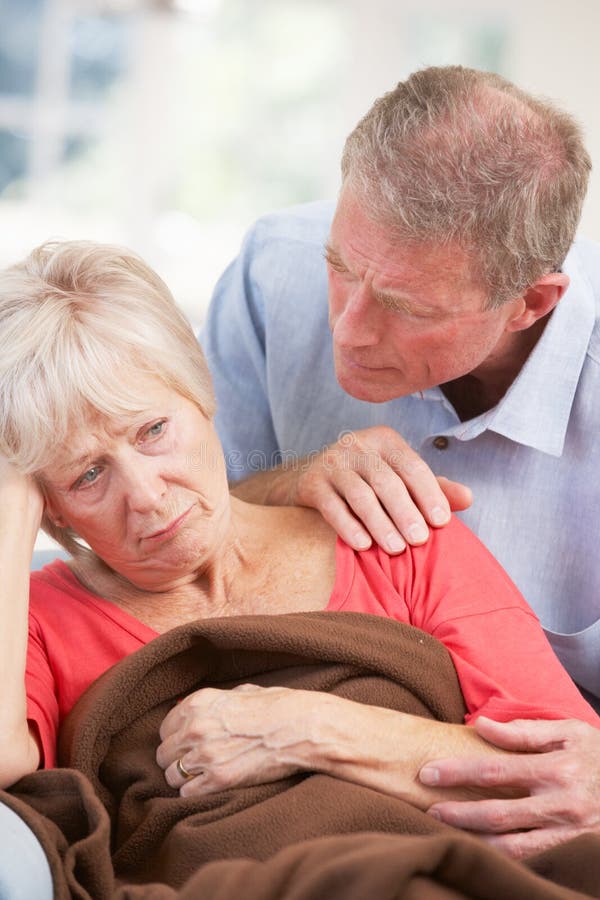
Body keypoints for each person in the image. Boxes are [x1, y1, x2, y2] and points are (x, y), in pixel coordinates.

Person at [0, 241, 597, 897]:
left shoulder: (391, 535)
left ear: (199, 395)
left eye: (152, 431)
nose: (145, 494)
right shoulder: (33, 621)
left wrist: (310, 730)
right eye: (87, 474)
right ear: (47, 505)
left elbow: (574, 777)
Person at [200, 64, 600, 856]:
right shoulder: (267, 274)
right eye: (342, 267)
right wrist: (290, 484)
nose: (346, 330)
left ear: (531, 303)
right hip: (273, 738)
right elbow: (173, 526)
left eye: (407, 308)